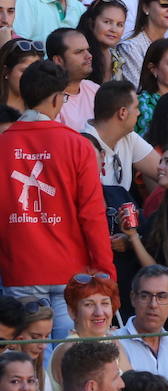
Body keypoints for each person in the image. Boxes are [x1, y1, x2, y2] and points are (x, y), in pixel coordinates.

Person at [0, 60, 115, 337]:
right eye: (64, 97)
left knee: (25, 366)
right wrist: (106, 272)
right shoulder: (77, 144)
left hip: (20, 270)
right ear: (55, 98)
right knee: (70, 364)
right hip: (72, 273)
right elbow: (92, 215)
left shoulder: (3, 144)